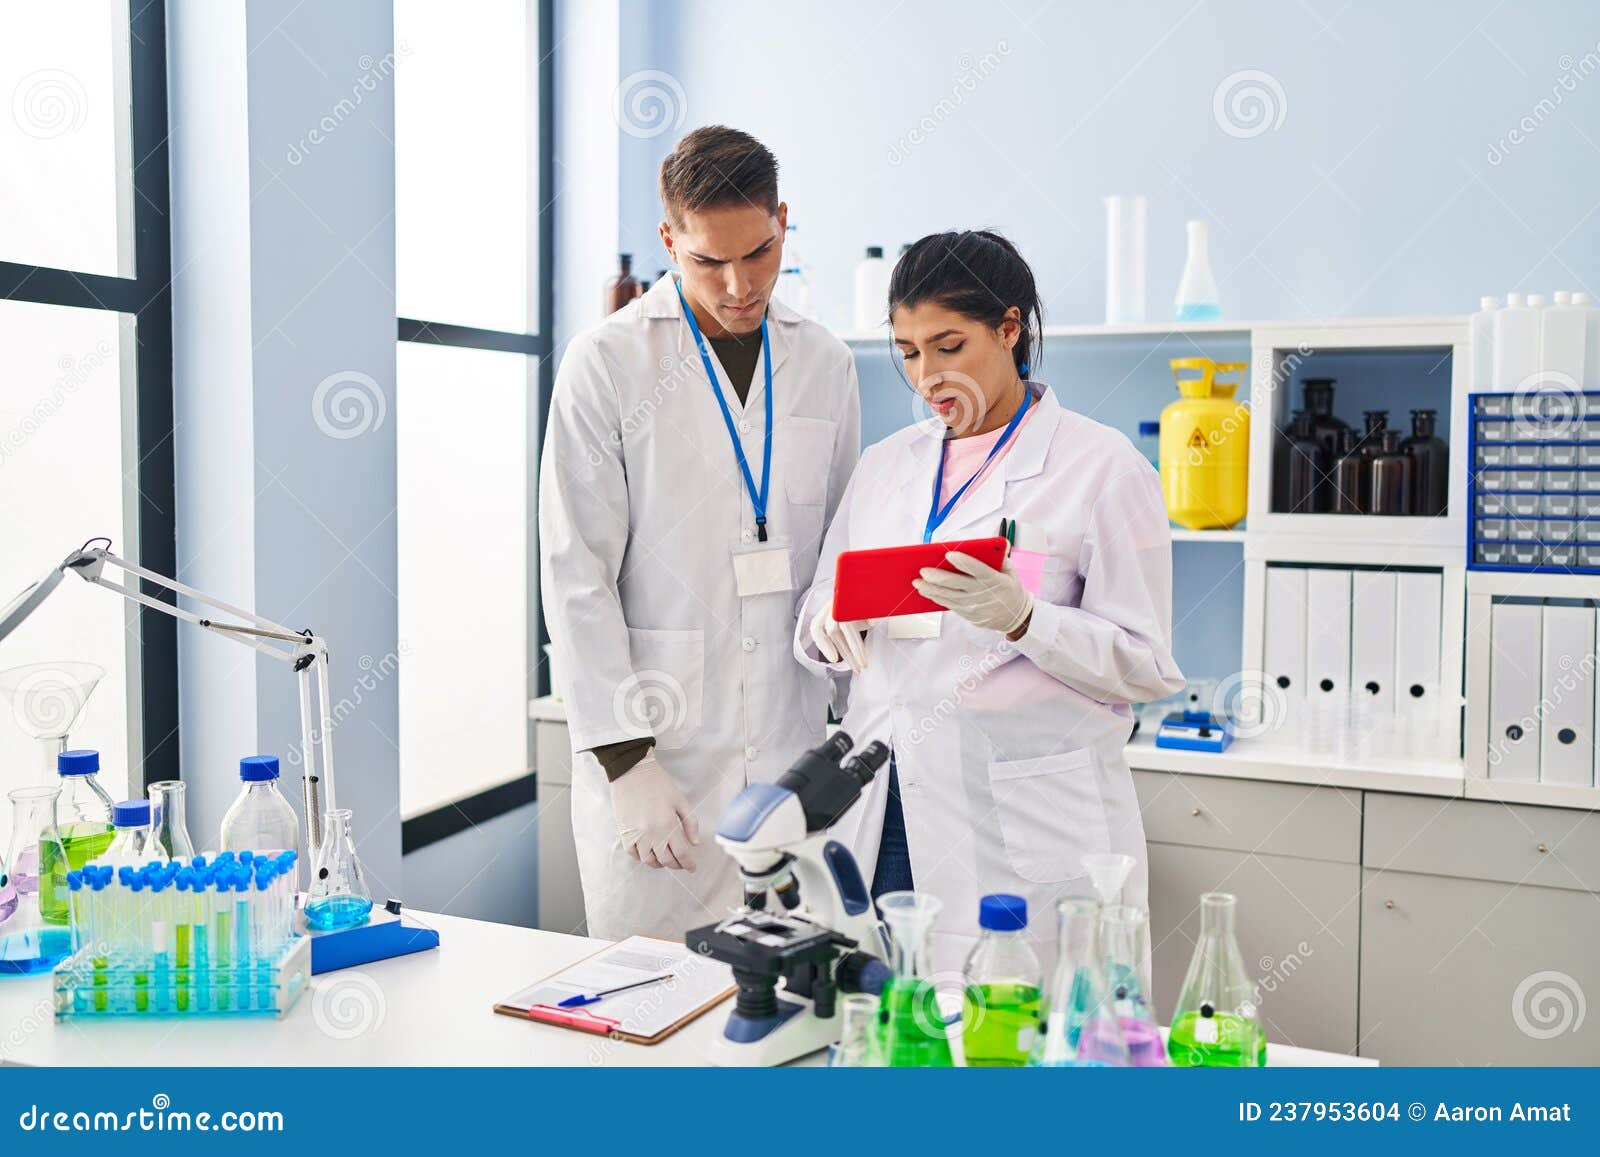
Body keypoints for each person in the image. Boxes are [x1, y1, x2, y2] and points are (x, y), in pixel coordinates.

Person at [794, 230, 1183, 971]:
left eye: (948, 345)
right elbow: (822, 600)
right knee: (896, 1033)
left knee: (1022, 1040)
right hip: (887, 808)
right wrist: (826, 623)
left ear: (1009, 328)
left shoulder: (1101, 467)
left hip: (1024, 816)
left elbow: (1144, 665)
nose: (927, 376)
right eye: (908, 352)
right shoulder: (886, 466)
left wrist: (1028, 619)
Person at [539, 126, 861, 940]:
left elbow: (841, 554)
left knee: (785, 1019)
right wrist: (625, 762)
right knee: (649, 1024)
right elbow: (576, 575)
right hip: (660, 762)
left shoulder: (824, 362)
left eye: (758, 252)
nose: (738, 284)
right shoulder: (607, 362)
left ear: (783, 221)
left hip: (794, 763)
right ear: (667, 239)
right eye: (707, 261)